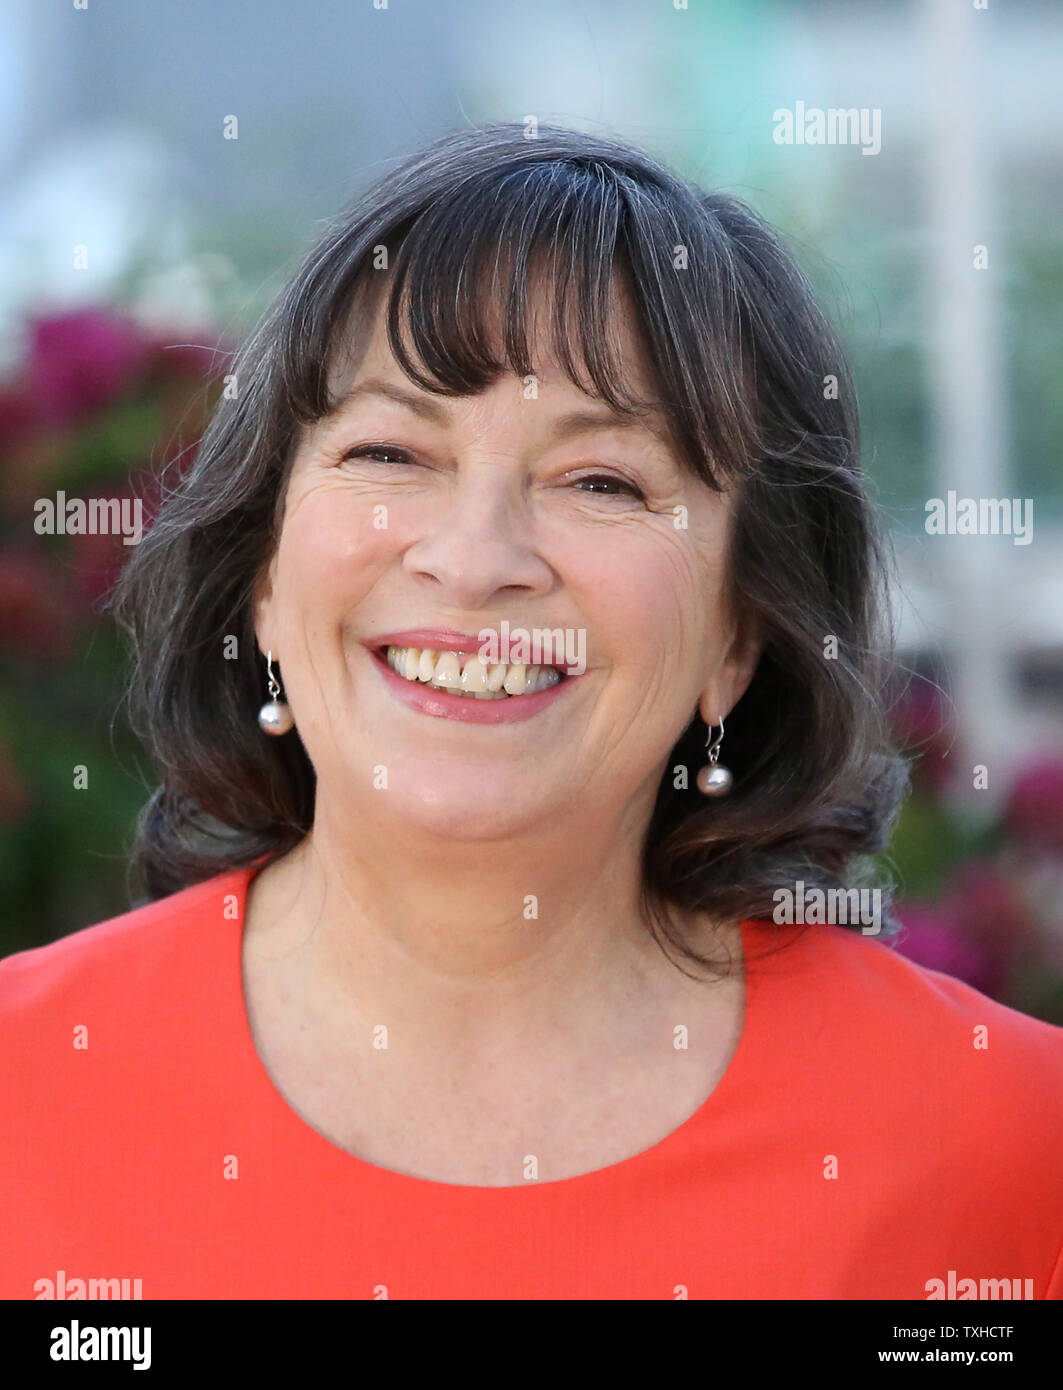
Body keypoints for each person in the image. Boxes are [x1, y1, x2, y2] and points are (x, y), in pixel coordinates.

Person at [2, 123, 1060, 1300]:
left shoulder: (1004, 1145)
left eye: (600, 480)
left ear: (741, 634)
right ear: (260, 572)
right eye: (392, 451)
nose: (475, 557)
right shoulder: (19, 1093)